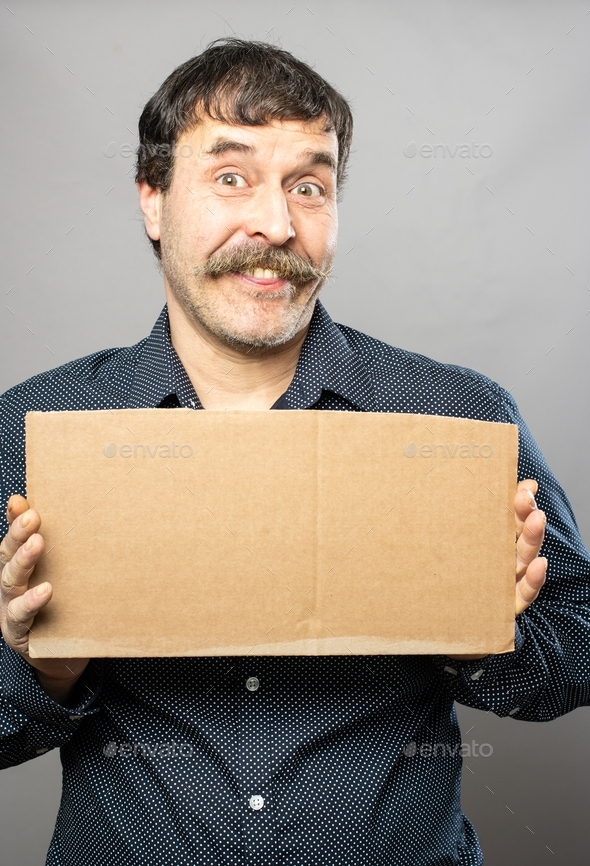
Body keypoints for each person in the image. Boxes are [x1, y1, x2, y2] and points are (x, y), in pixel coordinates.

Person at [0, 38, 589, 866]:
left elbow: (580, 643)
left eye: (308, 186)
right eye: (232, 176)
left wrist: (488, 635)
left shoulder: (456, 417)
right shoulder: (38, 425)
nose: (276, 224)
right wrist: (39, 668)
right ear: (153, 201)